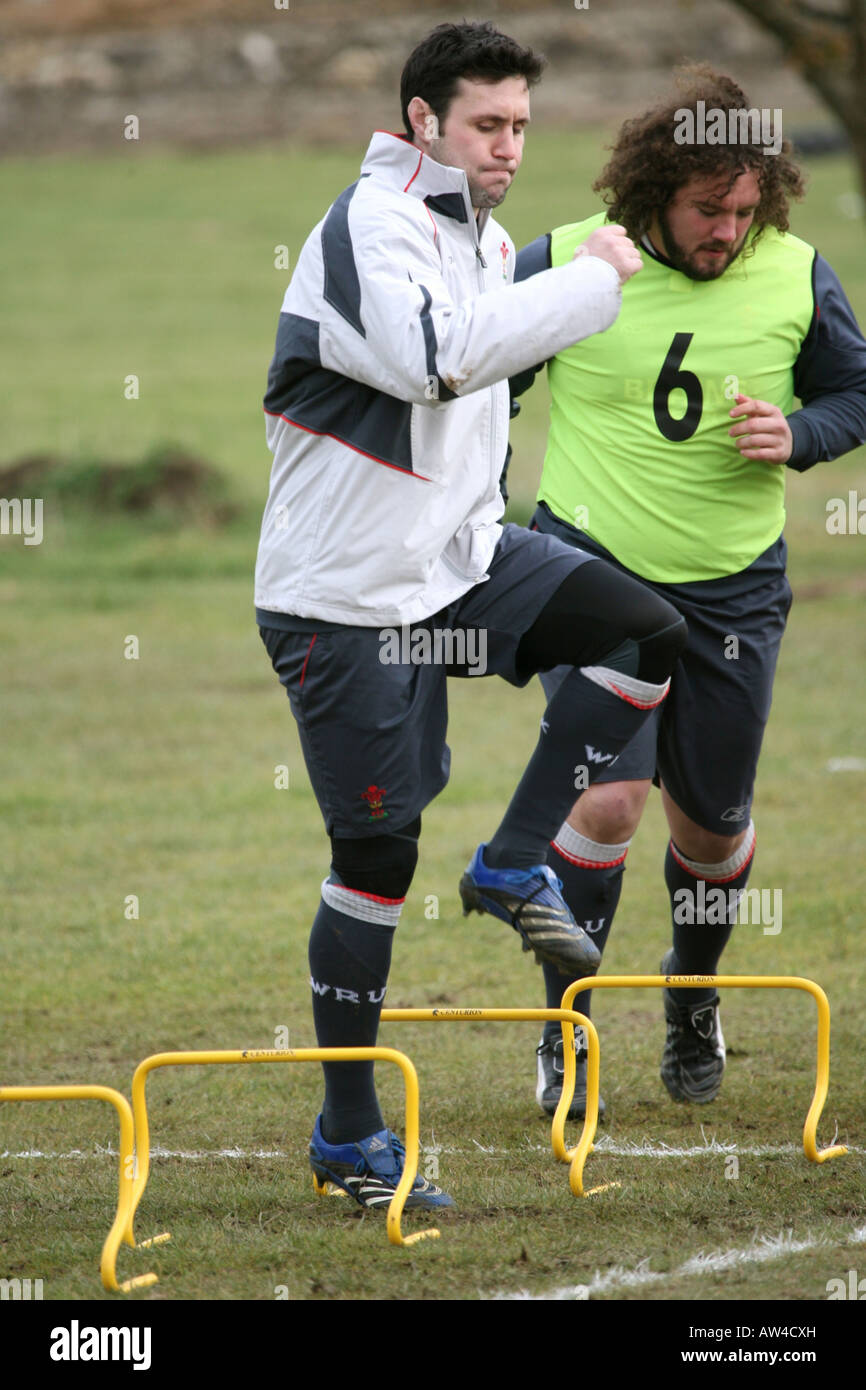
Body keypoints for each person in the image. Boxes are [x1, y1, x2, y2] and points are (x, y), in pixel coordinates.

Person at [255, 21, 687, 1213]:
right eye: (486, 125)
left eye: (519, 128)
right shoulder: (367, 228)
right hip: (342, 601)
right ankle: (347, 1134)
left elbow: (482, 397)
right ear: (420, 122)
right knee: (376, 860)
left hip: (457, 566)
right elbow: (436, 362)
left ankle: (508, 863)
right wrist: (594, 277)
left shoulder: (482, 237)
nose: (506, 148)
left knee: (644, 636)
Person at [511, 65, 866, 1121]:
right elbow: (477, 380)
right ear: (649, 191)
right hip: (589, 575)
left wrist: (798, 434)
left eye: (743, 212)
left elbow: (854, 391)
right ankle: (566, 1031)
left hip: (731, 593)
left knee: (709, 830)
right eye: (706, 210)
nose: (725, 232)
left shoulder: (795, 272)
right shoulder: (572, 262)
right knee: (606, 798)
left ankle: (691, 991)